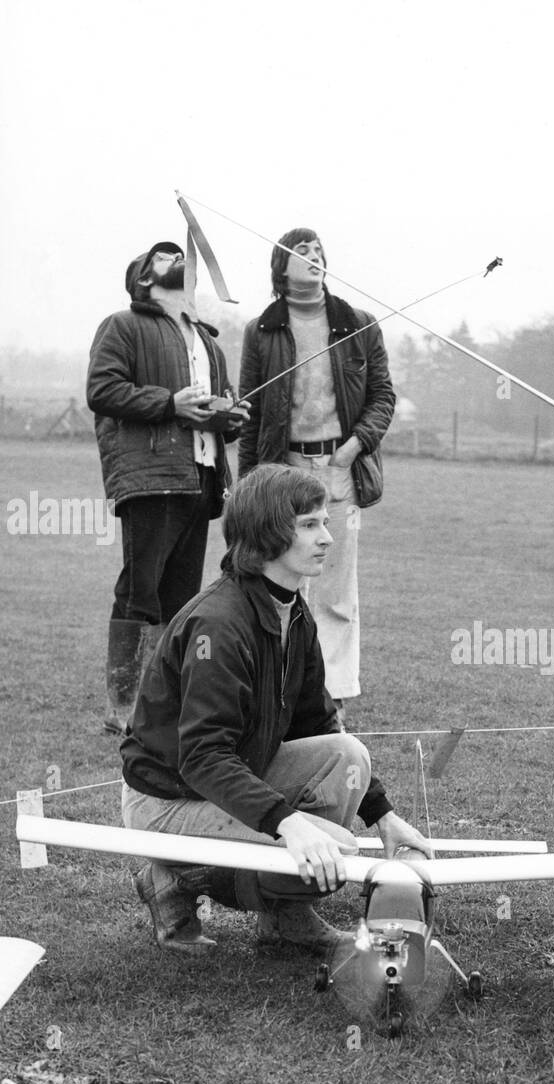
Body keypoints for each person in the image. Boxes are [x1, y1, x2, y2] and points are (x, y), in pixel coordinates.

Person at [121, 464, 429, 954]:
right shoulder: (219, 625)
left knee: (347, 755)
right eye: (309, 525)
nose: (327, 537)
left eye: (325, 522)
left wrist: (384, 815)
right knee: (338, 854)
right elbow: (201, 757)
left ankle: (283, 919)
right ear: (267, 536)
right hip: (168, 799)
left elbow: (317, 722)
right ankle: (172, 879)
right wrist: (289, 823)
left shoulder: (293, 611)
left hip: (234, 772)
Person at [87, 242, 247, 734]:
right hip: (150, 477)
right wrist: (170, 404)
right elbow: (102, 390)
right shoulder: (123, 325)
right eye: (162, 256)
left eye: (180, 254)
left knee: (181, 599)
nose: (176, 257)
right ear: (142, 281)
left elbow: (215, 418)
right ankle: (123, 710)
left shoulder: (209, 343)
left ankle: (159, 706)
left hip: (200, 478)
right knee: (141, 593)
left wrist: (232, 417)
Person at [238, 228, 396, 717]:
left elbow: (382, 396)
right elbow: (252, 413)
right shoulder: (261, 330)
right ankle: (281, 695)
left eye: (318, 250)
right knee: (283, 583)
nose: (313, 256)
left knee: (335, 590)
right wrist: (245, 489)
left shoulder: (359, 324)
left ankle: (334, 701)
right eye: (300, 251)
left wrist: (351, 449)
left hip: (339, 471)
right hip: (283, 470)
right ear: (279, 268)